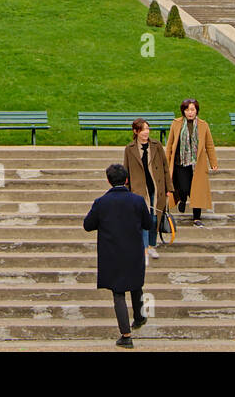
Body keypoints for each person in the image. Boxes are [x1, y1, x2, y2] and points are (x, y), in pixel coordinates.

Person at [83, 163, 151, 348]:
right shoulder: (137, 200)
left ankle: (126, 335)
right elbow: (148, 223)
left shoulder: (101, 202)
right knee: (136, 285)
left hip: (112, 253)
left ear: (108, 181)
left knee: (118, 293)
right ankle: (139, 316)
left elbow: (88, 225)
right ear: (127, 179)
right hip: (134, 251)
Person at [125, 118, 173, 260]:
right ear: (136, 131)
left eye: (147, 129)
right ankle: (144, 247)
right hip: (139, 190)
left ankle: (152, 245)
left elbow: (165, 167)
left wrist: (169, 187)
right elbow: (126, 170)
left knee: (154, 218)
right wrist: (126, 190)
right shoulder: (130, 149)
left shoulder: (156, 145)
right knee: (143, 219)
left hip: (156, 188)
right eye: (143, 129)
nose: (146, 132)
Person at [166, 98, 218, 227]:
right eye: (187, 110)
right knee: (184, 187)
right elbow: (170, 144)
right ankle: (182, 199)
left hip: (196, 164)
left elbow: (209, 145)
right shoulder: (176, 123)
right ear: (183, 111)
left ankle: (196, 217)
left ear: (196, 111)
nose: (190, 112)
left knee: (197, 191)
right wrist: (166, 162)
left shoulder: (203, 125)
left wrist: (213, 162)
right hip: (180, 162)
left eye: (192, 110)